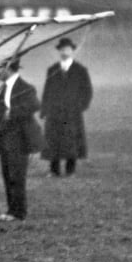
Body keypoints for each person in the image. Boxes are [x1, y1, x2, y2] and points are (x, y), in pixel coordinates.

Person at [0, 60, 42, 221]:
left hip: (19, 140)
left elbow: (35, 105)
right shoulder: (3, 87)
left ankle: (18, 212)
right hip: (5, 139)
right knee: (8, 175)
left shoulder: (25, 87)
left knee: (16, 176)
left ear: (9, 68)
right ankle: (11, 210)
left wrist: (13, 112)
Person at [40, 38, 93, 177]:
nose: (65, 52)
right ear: (59, 51)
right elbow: (47, 91)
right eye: (62, 49)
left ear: (72, 51)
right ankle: (54, 170)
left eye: (67, 49)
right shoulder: (52, 70)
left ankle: (70, 170)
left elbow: (87, 91)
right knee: (53, 141)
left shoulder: (81, 70)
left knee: (72, 141)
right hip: (54, 113)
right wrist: (45, 109)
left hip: (72, 113)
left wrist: (80, 107)